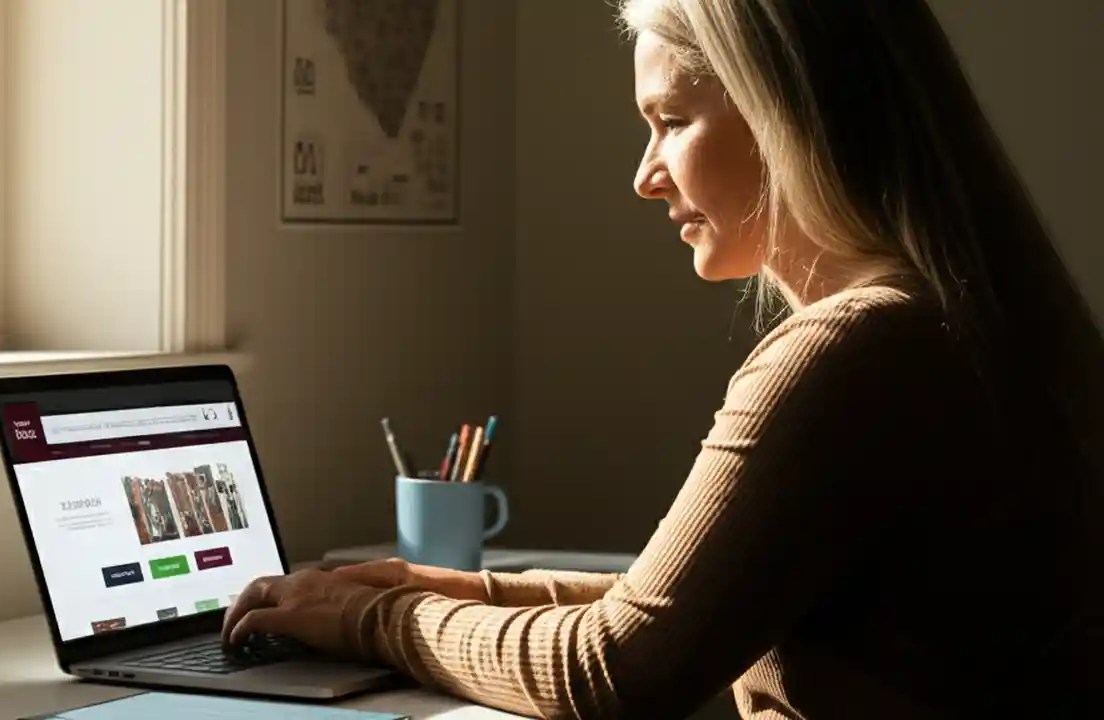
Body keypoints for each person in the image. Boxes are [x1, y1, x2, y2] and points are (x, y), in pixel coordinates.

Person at [223, 0, 1101, 717]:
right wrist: (436, 586)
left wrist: (382, 619)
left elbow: (618, 667)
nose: (647, 174)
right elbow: (669, 611)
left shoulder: (856, 348)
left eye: (671, 121)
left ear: (791, 113)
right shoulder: (955, 322)